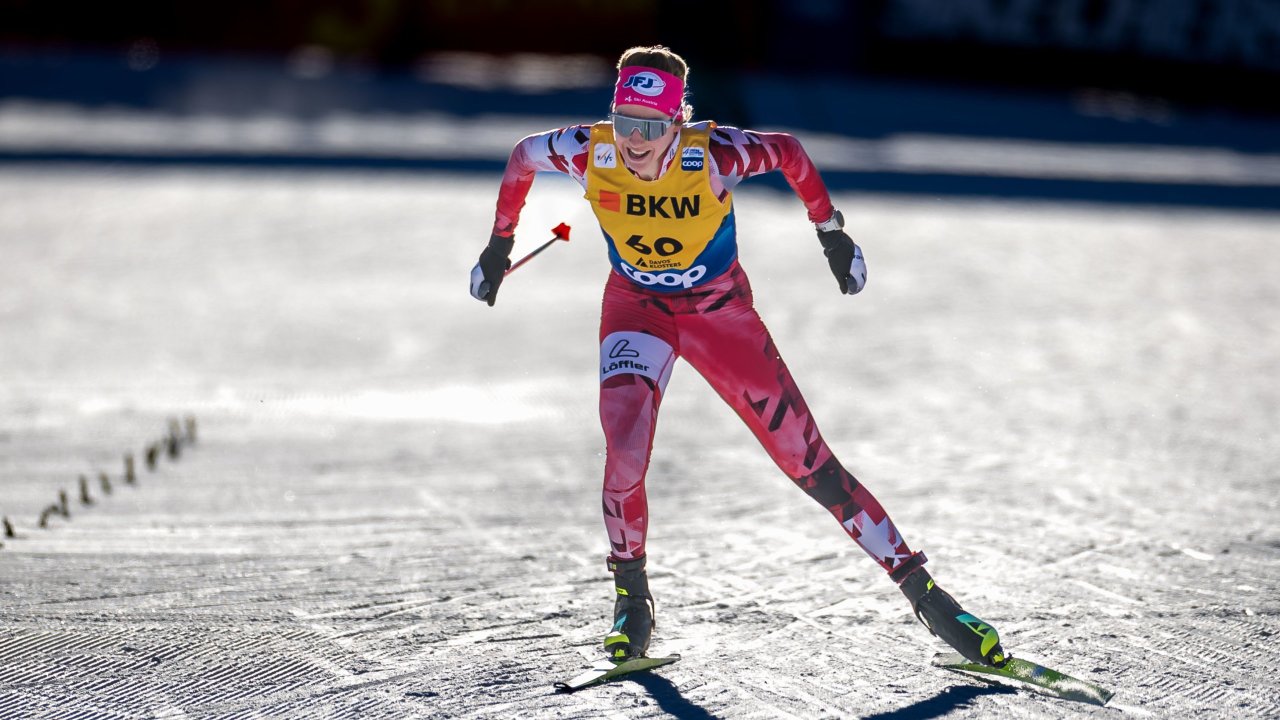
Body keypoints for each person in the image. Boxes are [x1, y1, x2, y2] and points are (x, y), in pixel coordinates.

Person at [470, 45, 1006, 669]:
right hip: (636, 308)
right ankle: (631, 601)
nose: (636, 143)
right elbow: (521, 156)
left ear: (678, 124)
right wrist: (498, 245)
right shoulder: (593, 150)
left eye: (652, 127)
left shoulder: (716, 154)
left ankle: (928, 596)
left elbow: (789, 152)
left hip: (719, 314)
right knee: (622, 444)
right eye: (626, 124)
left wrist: (831, 232)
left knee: (810, 464)